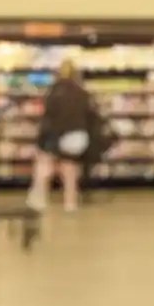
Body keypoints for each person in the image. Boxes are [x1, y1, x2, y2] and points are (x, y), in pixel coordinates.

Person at [29, 59, 100, 212]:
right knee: (69, 167)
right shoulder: (83, 93)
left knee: (44, 161)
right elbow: (93, 117)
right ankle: (70, 203)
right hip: (80, 138)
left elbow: (49, 119)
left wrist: (41, 142)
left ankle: (39, 199)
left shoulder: (54, 92)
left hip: (60, 136)